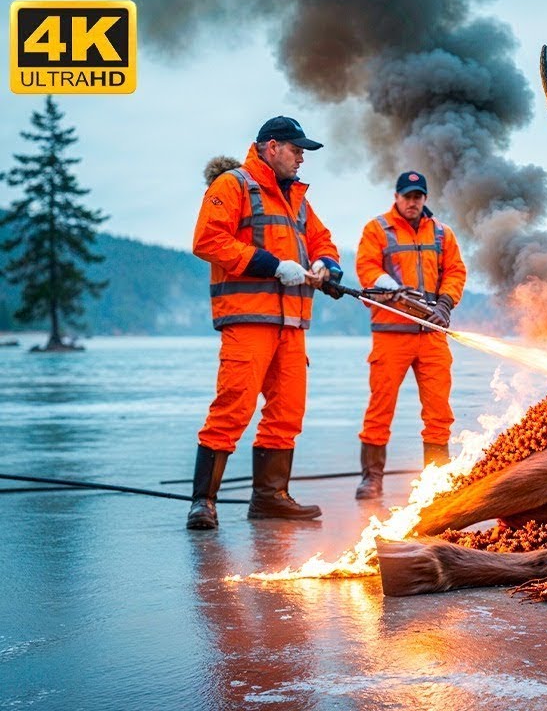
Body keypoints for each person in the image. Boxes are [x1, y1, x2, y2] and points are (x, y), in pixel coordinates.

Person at [186, 116, 343, 530]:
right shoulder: (233, 185)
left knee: (288, 410)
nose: (301, 160)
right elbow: (208, 240)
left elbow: (322, 240)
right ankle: (203, 502)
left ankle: (270, 498)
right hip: (249, 319)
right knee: (233, 406)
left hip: (291, 323)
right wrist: (273, 266)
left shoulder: (298, 199)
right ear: (271, 148)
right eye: (296, 151)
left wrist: (327, 264)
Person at [353, 171, 467, 499]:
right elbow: (366, 268)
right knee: (380, 407)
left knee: (438, 412)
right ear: (397, 197)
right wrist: (386, 284)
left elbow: (456, 271)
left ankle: (437, 483)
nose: (412, 202)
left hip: (432, 335)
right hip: (391, 334)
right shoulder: (377, 230)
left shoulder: (443, 234)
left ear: (425, 199)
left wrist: (445, 305)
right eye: (407, 196)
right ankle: (371, 479)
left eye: (418, 197)